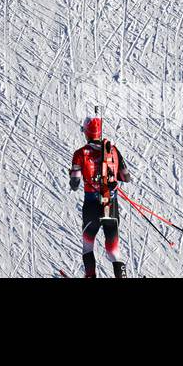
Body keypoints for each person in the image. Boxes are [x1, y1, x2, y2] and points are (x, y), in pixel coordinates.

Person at [69, 115, 130, 278]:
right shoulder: (114, 150)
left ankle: (90, 276)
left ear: (86, 133)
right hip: (110, 204)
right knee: (114, 251)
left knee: (88, 246)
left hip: (91, 206)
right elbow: (126, 177)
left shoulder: (80, 154)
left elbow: (74, 184)